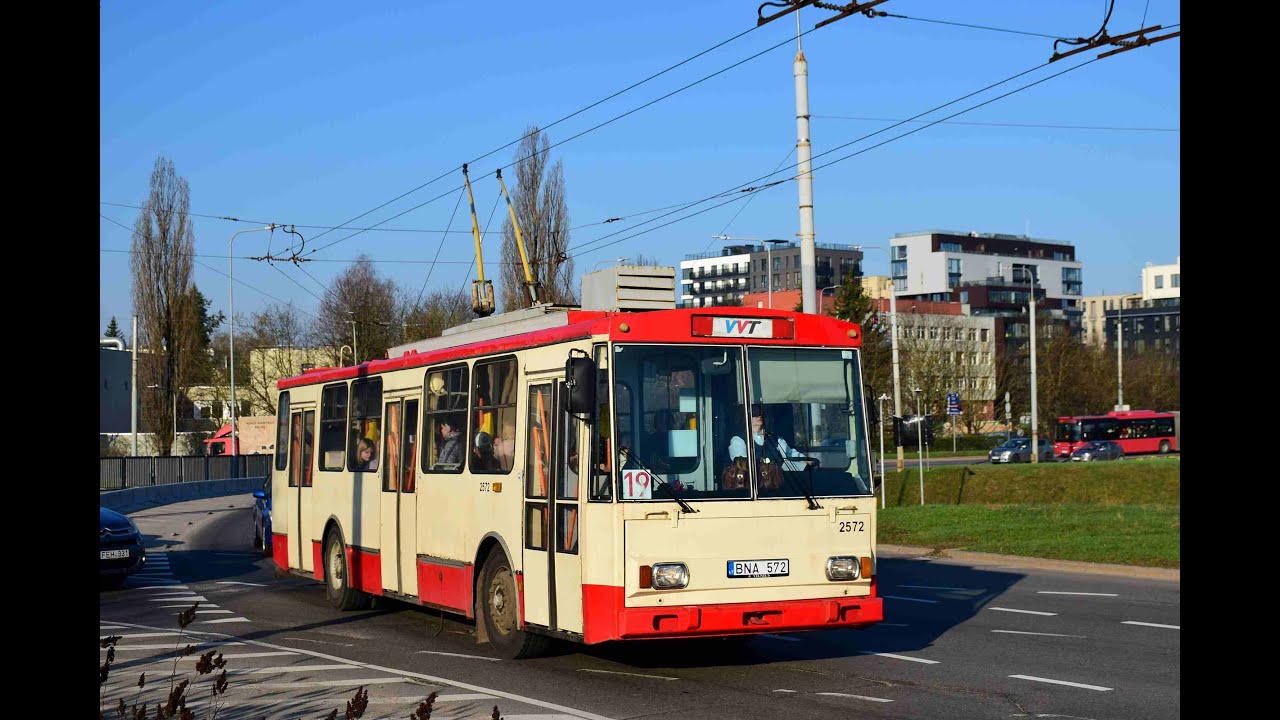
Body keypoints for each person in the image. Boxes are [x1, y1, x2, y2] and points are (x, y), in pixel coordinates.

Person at [728, 406, 806, 488]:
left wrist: (805, 460)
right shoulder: (738, 440)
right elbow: (741, 462)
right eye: (754, 413)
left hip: (778, 484)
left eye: (762, 414)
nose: (759, 416)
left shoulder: (775, 438)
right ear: (745, 418)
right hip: (753, 486)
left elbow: (789, 453)